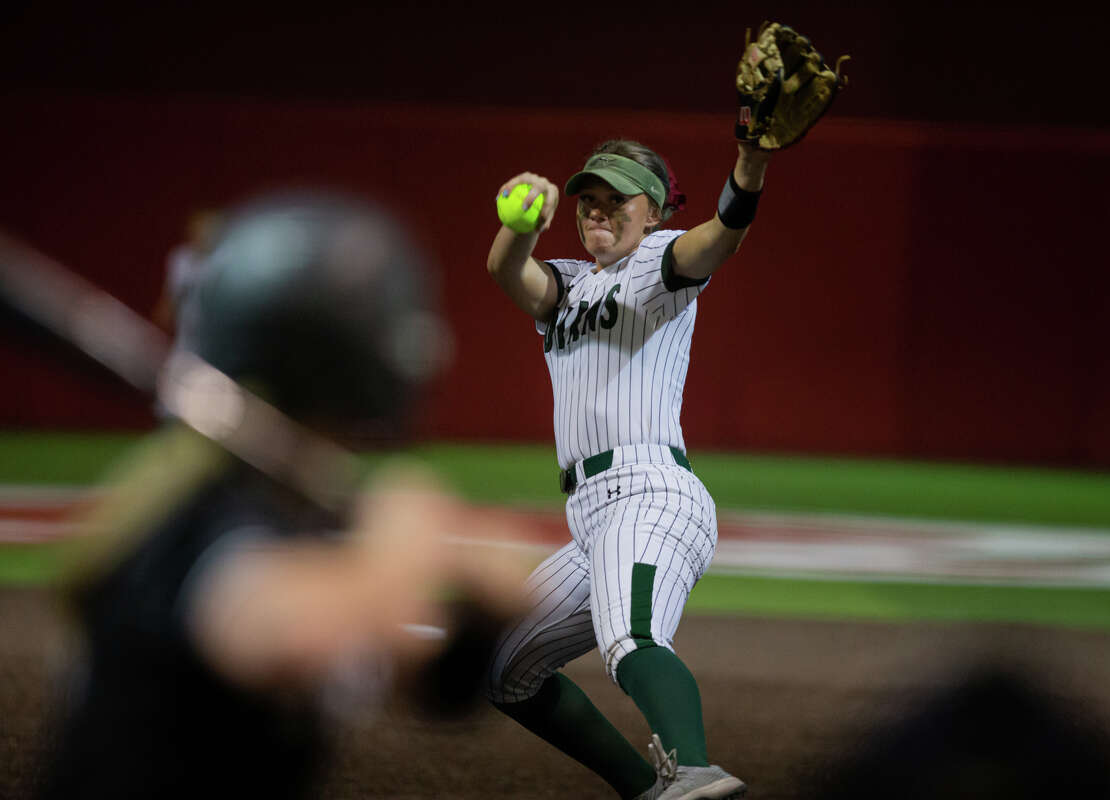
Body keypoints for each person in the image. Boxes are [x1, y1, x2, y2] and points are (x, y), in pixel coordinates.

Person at [36, 192, 528, 799]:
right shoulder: (208, 513)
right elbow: (283, 633)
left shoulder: (301, 508)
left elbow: (433, 689)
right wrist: (403, 544)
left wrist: (481, 621)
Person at [483, 132, 776, 800]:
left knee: (632, 636)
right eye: (589, 198)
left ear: (654, 214)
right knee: (503, 666)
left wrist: (750, 164)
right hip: (593, 519)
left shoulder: (655, 260)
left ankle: (694, 771)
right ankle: (644, 789)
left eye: (618, 200)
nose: (598, 210)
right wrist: (518, 226)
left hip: (650, 494)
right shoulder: (567, 283)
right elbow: (506, 270)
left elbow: (722, 236)